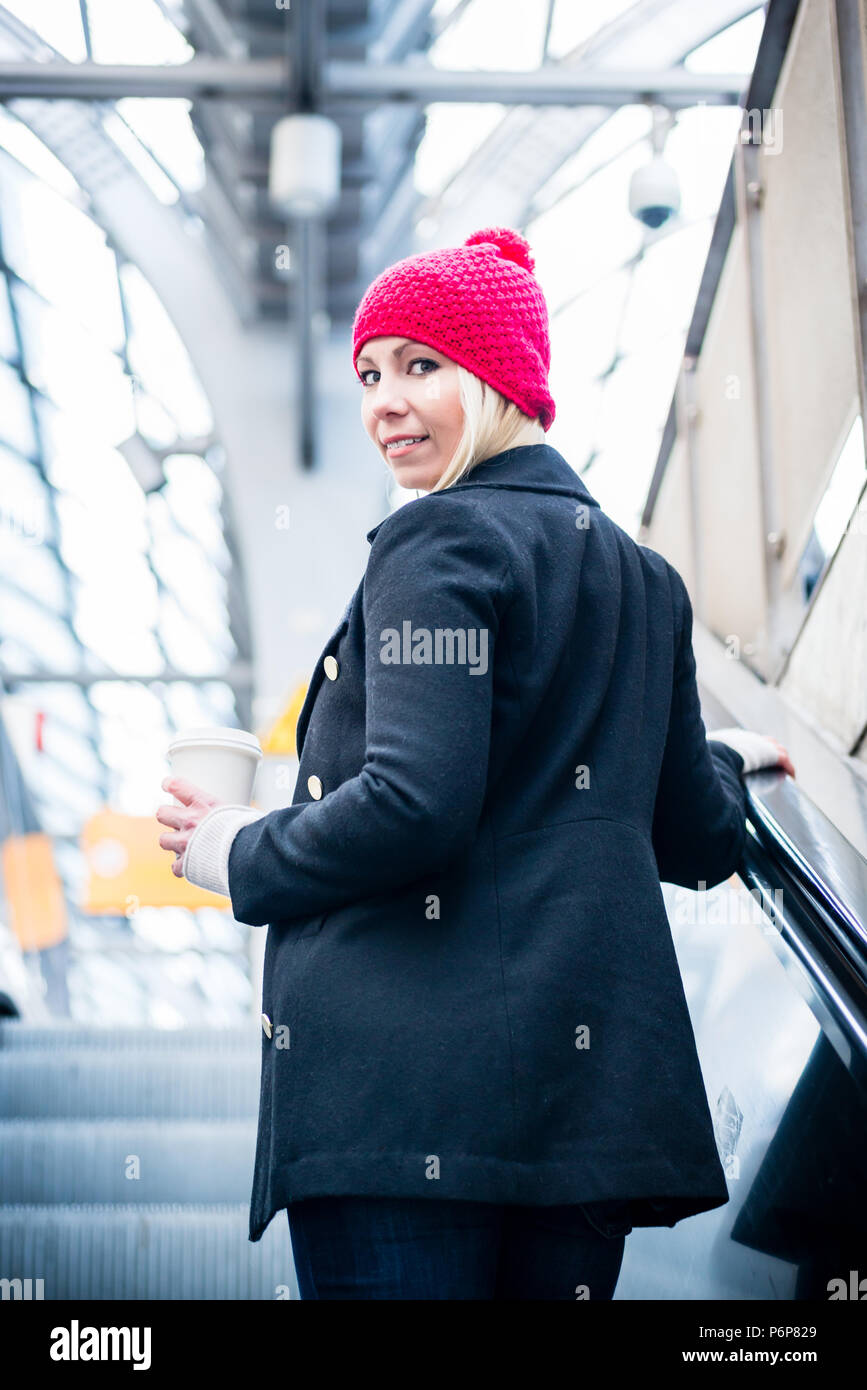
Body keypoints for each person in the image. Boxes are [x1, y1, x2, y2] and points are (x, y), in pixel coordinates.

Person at [156, 226, 795, 1300]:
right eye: (370, 374)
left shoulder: (439, 540)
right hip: (580, 1122)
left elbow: (415, 801)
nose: (384, 403)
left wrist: (237, 850)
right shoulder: (644, 582)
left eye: (421, 366)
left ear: (501, 383)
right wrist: (721, 759)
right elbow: (697, 839)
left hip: (401, 1110)